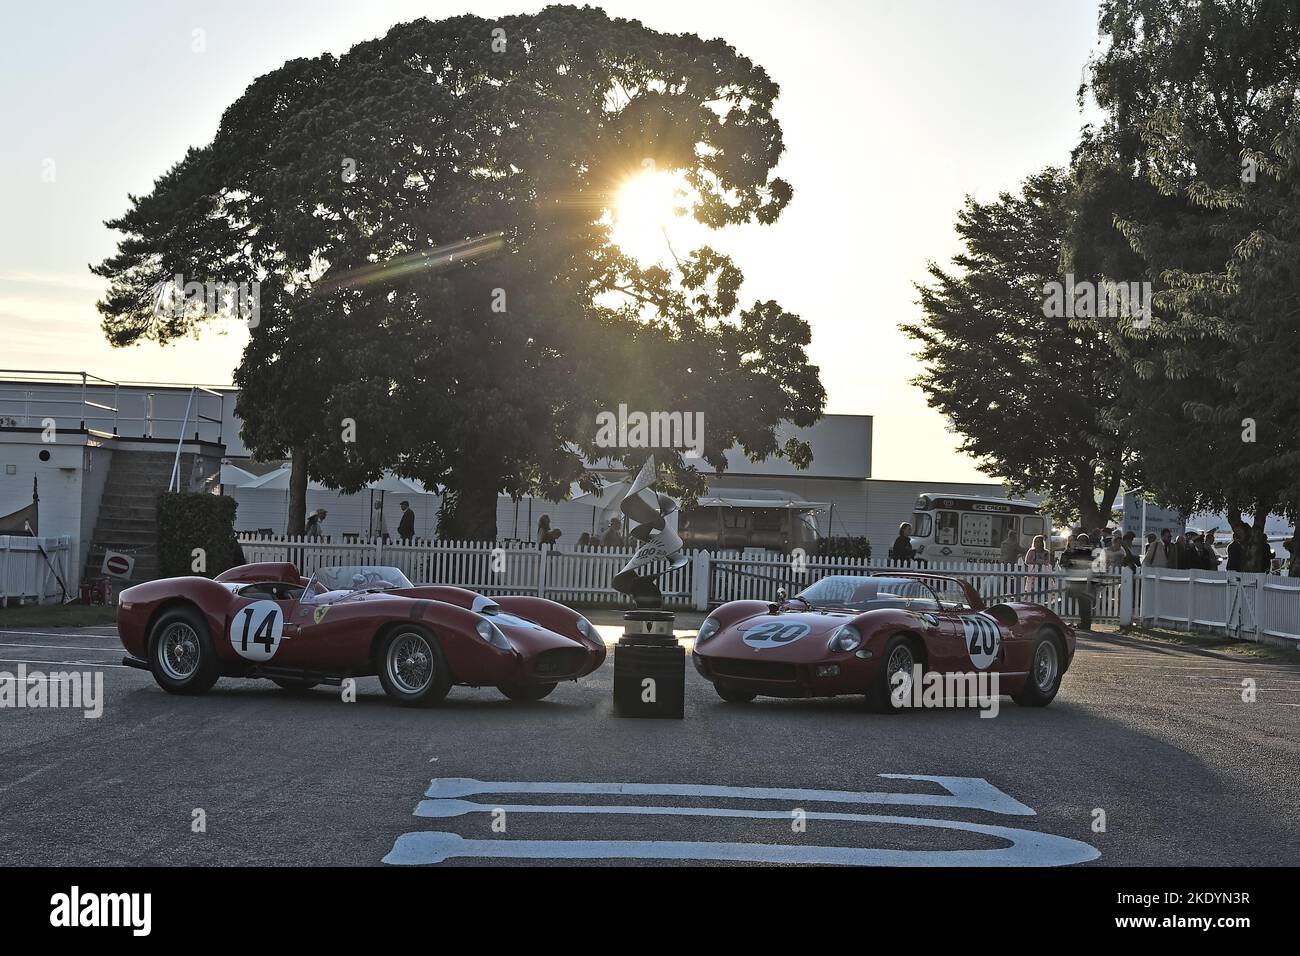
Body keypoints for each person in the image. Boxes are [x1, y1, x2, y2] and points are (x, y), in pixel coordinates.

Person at [1058, 532, 1097, 630]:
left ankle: (1085, 624)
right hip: (1075, 581)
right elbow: (1063, 562)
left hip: (1087, 582)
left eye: (1084, 540)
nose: (1082, 542)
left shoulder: (1091, 551)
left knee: (1086, 604)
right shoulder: (1072, 551)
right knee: (1073, 603)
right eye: (1080, 540)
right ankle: (1074, 622)